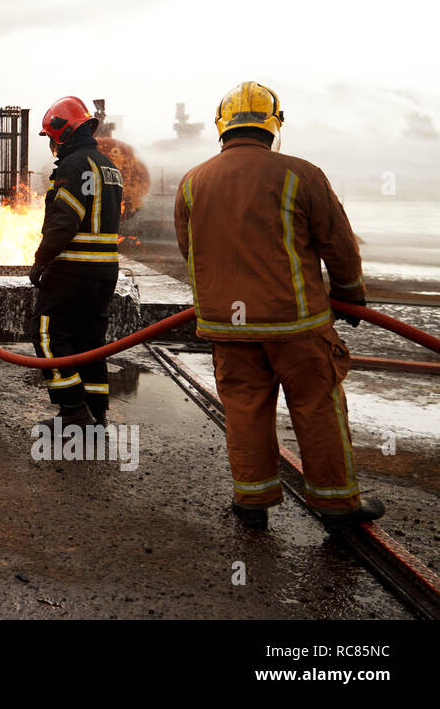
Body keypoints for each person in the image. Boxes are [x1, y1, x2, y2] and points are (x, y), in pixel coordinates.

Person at [174, 81, 382, 529]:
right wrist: (349, 292)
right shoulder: (301, 174)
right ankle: (337, 505)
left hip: (227, 327)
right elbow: (338, 244)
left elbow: (190, 250)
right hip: (295, 324)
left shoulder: (193, 180)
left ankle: (253, 501)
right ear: (275, 125)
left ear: (221, 125)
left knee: (245, 406)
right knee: (317, 406)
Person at [28, 96, 123, 428]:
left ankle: (72, 411)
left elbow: (65, 220)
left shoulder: (73, 165)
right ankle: (95, 413)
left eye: (51, 138)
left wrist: (41, 261)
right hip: (105, 270)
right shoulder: (108, 166)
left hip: (72, 269)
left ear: (61, 132)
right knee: (89, 341)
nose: (51, 145)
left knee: (46, 333)